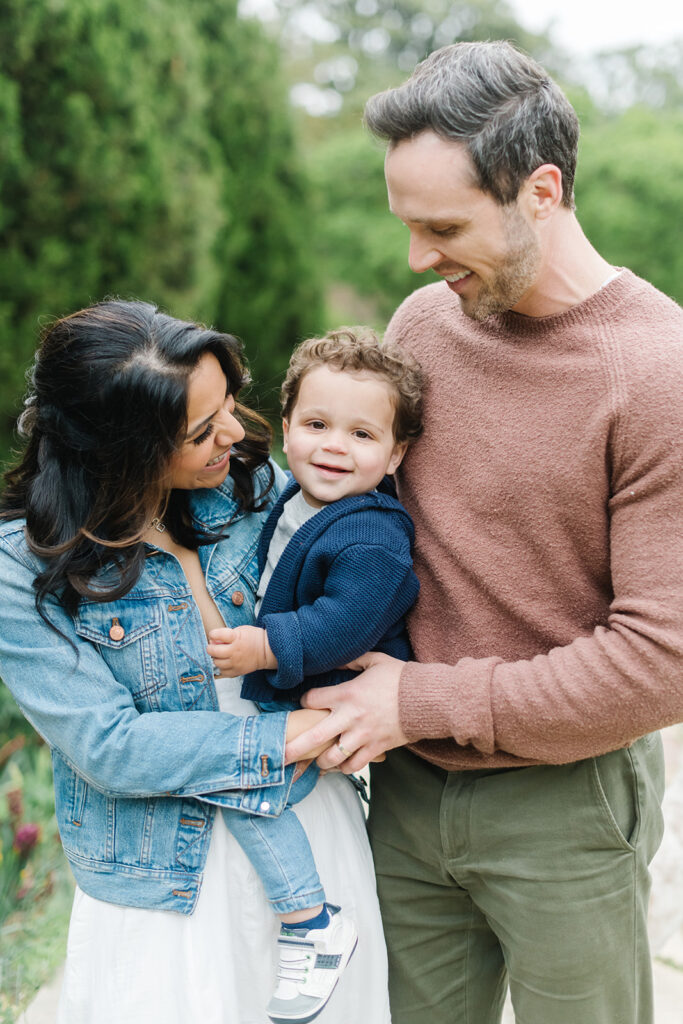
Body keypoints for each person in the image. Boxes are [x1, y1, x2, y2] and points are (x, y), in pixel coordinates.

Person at [285, 41, 683, 1024]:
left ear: (539, 190)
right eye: (406, 225)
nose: (416, 258)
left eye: (443, 226)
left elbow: (660, 659)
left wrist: (418, 698)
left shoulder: (653, 373)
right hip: (405, 790)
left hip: (563, 804)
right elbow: (360, 512)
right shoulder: (423, 322)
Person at [0, 300, 391, 1024]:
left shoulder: (257, 490)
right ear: (119, 452)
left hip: (303, 828)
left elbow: (363, 578)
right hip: (160, 883)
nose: (236, 434)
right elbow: (108, 748)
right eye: (201, 431)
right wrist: (293, 734)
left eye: (230, 405)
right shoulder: (20, 571)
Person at [206, 327, 422, 1021]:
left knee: (247, 782)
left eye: (361, 435)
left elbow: (344, 623)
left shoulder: (370, 532)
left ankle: (312, 924)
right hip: (300, 688)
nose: (333, 446)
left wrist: (265, 647)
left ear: (396, 453)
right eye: (317, 424)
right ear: (288, 421)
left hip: (336, 695)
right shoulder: (294, 499)